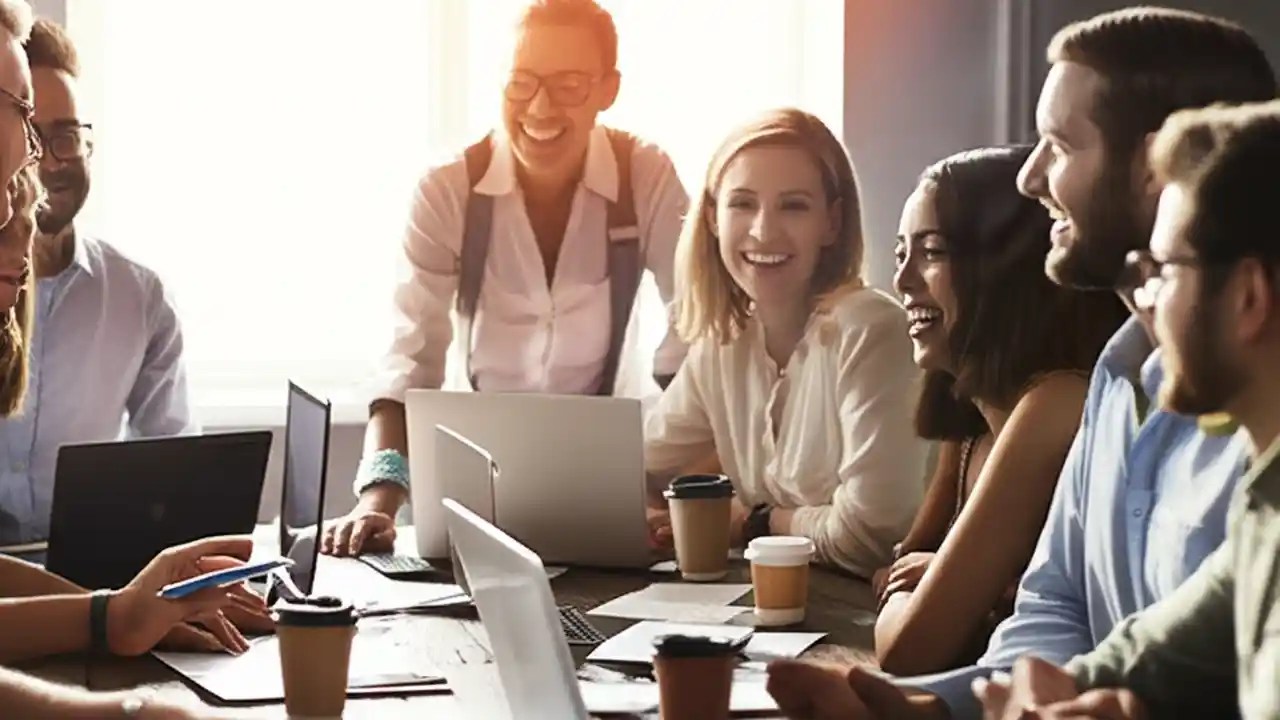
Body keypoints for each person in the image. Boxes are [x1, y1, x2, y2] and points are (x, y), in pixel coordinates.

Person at [764, 7, 1276, 719]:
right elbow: (1085, 628)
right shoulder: (1117, 378)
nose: (1030, 178)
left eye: (1059, 145)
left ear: (1155, 168)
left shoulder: (1237, 417)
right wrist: (931, 710)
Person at [323, 0, 689, 557]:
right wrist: (378, 498)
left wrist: (669, 485)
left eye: (569, 85)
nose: (540, 107)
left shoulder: (643, 175)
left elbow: (697, 331)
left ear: (607, 89)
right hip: (474, 485)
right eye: (521, 82)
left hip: (615, 481)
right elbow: (410, 360)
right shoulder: (448, 189)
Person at [978, 97, 1280, 720]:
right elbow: (1129, 661)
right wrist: (915, 709)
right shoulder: (1264, 510)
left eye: (1163, 271)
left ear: (1248, 297)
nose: (1145, 300)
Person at [641, 107, 926, 577]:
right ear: (712, 217)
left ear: (832, 223)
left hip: (861, 606)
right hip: (769, 599)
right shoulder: (724, 343)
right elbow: (638, 467)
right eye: (742, 204)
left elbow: (869, 536)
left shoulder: (871, 330)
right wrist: (644, 515)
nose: (763, 231)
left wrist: (755, 523)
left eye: (793, 206)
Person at [874, 146, 1126, 674]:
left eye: (932, 252)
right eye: (901, 254)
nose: (903, 281)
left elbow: (909, 647)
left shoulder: (1055, 402)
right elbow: (896, 570)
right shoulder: (971, 420)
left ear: (1002, 270)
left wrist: (928, 585)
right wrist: (931, 584)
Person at [0, 17, 196, 556]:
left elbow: (175, 475)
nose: (46, 162)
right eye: (30, 137)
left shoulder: (140, 298)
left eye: (65, 137)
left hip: (91, 576)